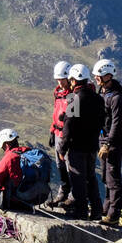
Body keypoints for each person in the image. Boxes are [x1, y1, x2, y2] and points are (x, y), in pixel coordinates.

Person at [56, 63, 104, 220]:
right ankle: (97, 210)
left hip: (77, 147)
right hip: (92, 146)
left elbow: (69, 126)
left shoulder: (75, 99)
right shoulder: (98, 98)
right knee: (90, 178)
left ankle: (81, 212)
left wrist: (62, 149)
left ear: (74, 80)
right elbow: (100, 121)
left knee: (77, 179)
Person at [93, 58, 122, 225]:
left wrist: (107, 144)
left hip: (112, 142)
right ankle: (106, 209)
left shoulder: (117, 97)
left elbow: (116, 123)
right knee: (106, 177)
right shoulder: (103, 92)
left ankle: (113, 215)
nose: (96, 78)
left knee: (113, 178)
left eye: (98, 75)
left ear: (108, 75)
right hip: (103, 139)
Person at [46, 60, 74, 208]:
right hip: (57, 132)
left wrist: (66, 137)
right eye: (58, 79)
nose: (59, 82)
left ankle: (72, 197)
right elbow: (56, 112)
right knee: (60, 164)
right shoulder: (58, 92)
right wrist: (52, 130)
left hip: (67, 135)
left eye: (62, 79)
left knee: (70, 165)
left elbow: (73, 119)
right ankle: (63, 193)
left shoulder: (73, 95)